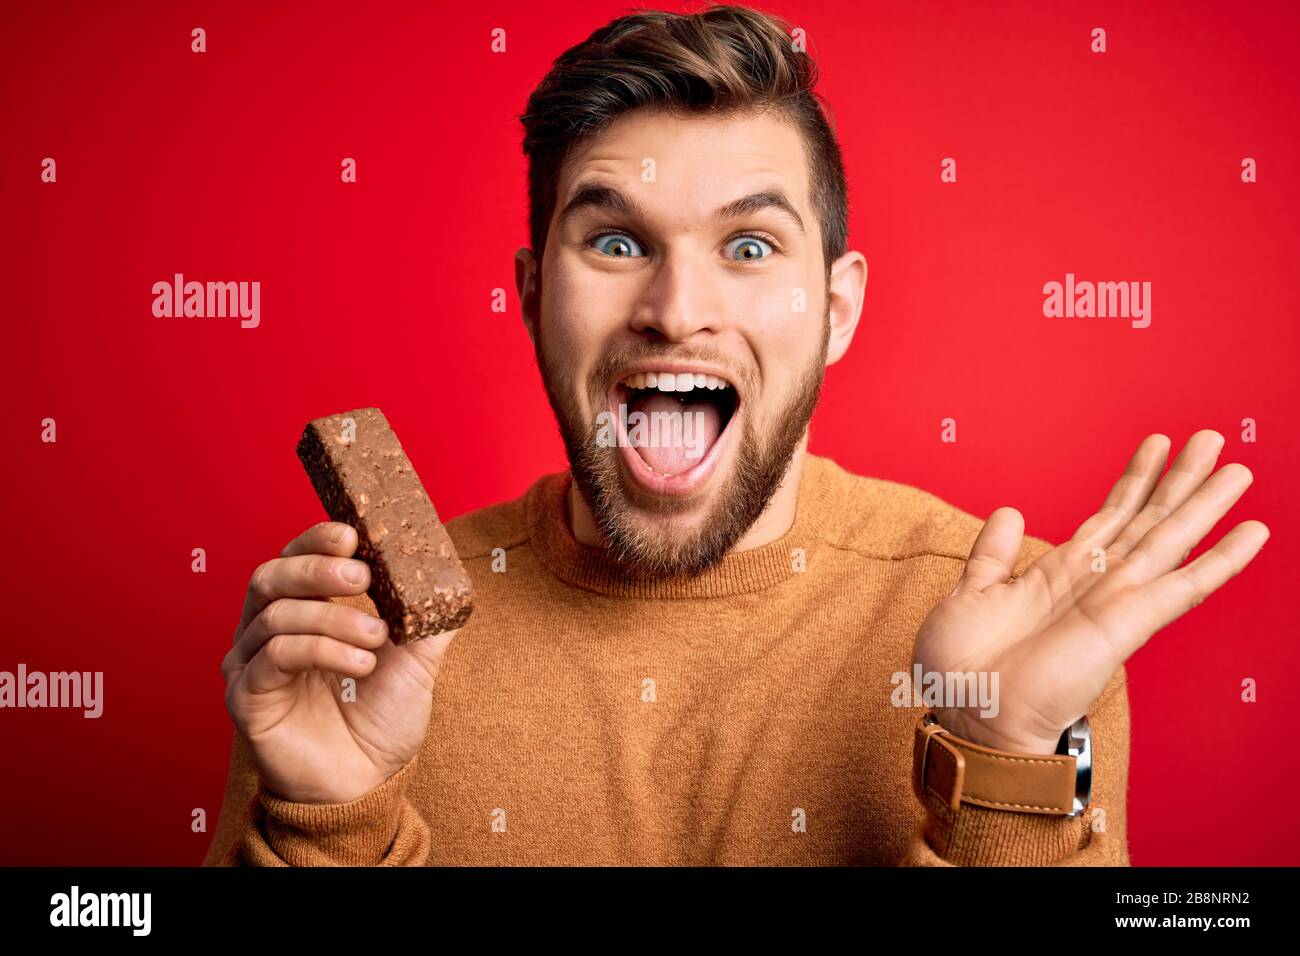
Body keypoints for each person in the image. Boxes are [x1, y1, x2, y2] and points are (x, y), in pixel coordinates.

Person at [203, 4, 1266, 866]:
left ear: (838, 307)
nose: (675, 306)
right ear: (531, 297)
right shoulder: (360, 645)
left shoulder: (1020, 638)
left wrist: (1001, 766)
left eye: (749, 245)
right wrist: (331, 822)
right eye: (615, 240)